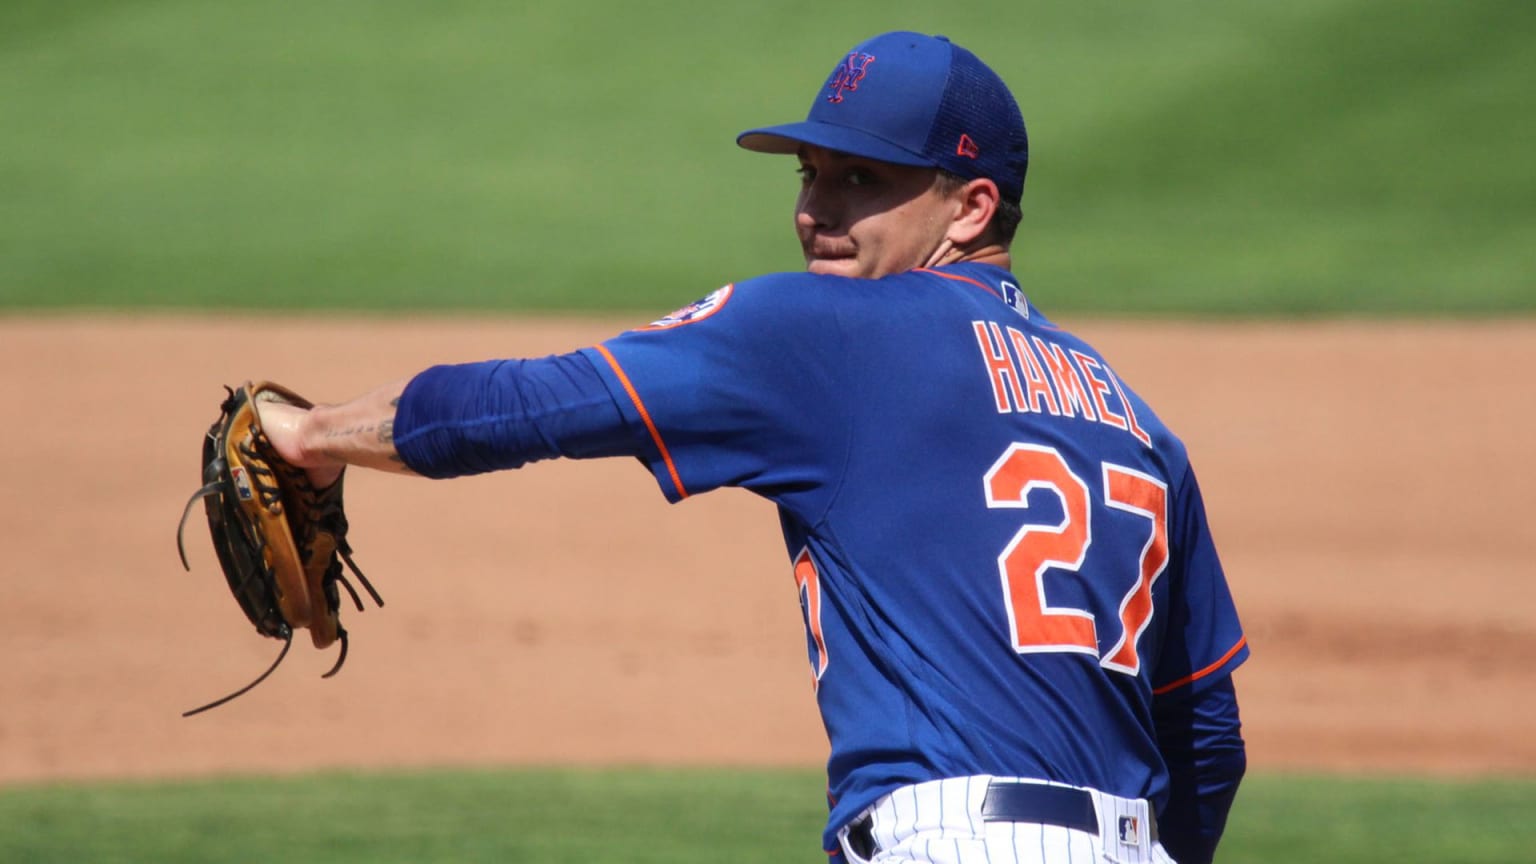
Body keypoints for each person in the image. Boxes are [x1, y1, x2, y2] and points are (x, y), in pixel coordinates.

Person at [256, 31, 1248, 864]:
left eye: (861, 180)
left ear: (971, 207)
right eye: (811, 174)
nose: (814, 211)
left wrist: (315, 436)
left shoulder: (830, 330)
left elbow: (538, 403)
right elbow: (1205, 732)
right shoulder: (1136, 424)